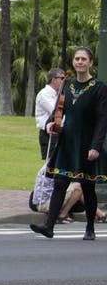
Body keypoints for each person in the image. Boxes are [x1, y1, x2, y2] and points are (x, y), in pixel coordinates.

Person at [30, 46, 107, 241]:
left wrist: (96, 146)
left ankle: (90, 227)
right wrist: (49, 125)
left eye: (83, 59)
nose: (80, 62)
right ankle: (49, 227)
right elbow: (58, 110)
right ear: (73, 62)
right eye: (77, 59)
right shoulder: (68, 84)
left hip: (87, 142)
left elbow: (102, 119)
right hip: (67, 141)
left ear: (90, 62)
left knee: (87, 186)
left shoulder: (99, 87)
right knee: (60, 182)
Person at [35, 67, 65, 159]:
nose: (64, 81)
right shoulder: (44, 94)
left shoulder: (59, 94)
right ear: (53, 80)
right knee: (50, 166)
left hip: (58, 132)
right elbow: (56, 111)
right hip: (48, 133)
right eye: (62, 78)